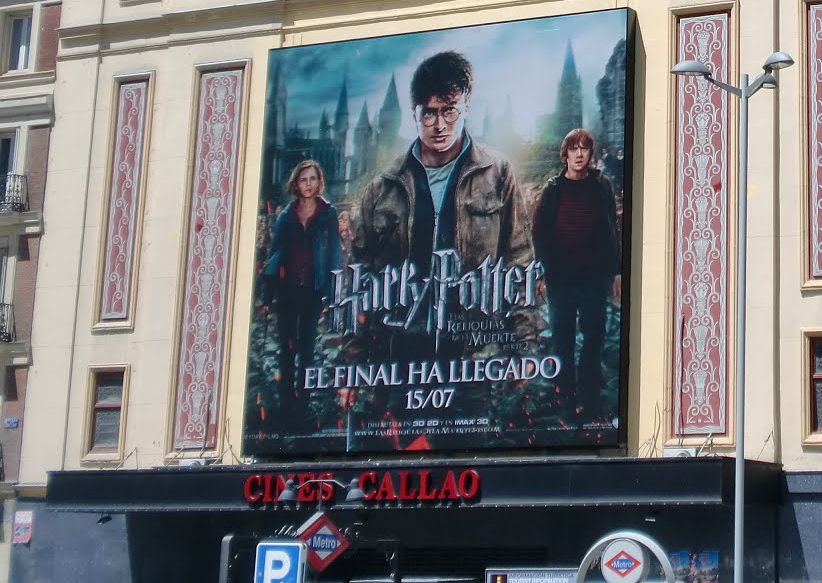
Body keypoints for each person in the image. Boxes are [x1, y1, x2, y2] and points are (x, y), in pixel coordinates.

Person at [351, 49, 533, 345]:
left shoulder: (497, 173)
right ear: (414, 113)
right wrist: (353, 355)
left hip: (473, 352)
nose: (439, 125)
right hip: (398, 356)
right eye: (429, 112)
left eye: (449, 110)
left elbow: (519, 260)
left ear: (466, 106)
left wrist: (524, 342)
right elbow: (358, 276)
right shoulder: (382, 187)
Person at [532, 128, 621, 419]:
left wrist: (617, 273)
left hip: (594, 278)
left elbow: (612, 232)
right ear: (565, 154)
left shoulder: (602, 186)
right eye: (574, 149)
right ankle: (566, 402)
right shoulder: (553, 190)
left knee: (594, 338)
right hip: (561, 279)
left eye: (584, 149)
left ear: (590, 154)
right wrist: (542, 273)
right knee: (563, 340)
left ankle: (591, 400)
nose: (580, 154)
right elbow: (540, 234)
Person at [261, 159, 340, 425]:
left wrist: (332, 292)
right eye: (303, 180)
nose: (308, 184)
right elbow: (274, 255)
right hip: (287, 290)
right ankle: (286, 404)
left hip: (312, 290)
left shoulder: (328, 213)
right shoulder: (286, 216)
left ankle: (303, 404)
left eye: (313, 179)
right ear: (296, 183)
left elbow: (333, 255)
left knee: (307, 348)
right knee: (286, 349)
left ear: (319, 183)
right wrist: (266, 294)